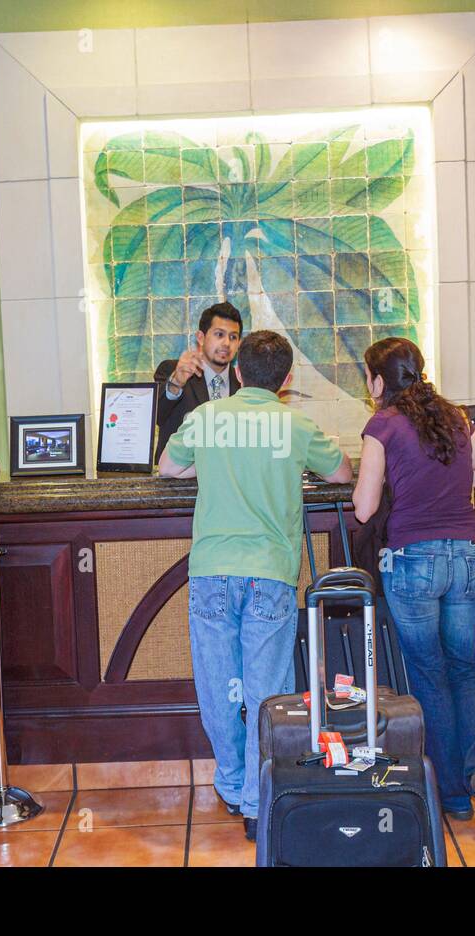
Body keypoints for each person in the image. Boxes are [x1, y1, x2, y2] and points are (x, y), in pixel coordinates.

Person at [159, 330, 352, 840]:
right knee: (268, 691)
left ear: (238, 372)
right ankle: (256, 802)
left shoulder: (205, 417)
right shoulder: (295, 423)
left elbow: (168, 467)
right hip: (270, 572)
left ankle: (230, 783)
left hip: (212, 570)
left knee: (220, 686)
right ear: (286, 380)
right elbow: (342, 473)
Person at [352, 337, 475, 844]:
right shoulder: (456, 416)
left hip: (414, 561)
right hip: (468, 559)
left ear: (379, 381)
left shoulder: (382, 424)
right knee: (466, 671)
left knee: (428, 675)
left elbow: (363, 508)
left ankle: (450, 794)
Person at [153, 301, 243, 457]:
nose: (227, 343)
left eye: (233, 337)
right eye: (219, 334)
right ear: (201, 338)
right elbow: (156, 417)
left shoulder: (243, 383)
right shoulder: (172, 371)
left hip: (228, 478)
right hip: (178, 478)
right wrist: (176, 383)